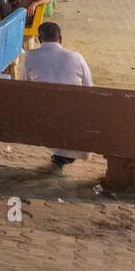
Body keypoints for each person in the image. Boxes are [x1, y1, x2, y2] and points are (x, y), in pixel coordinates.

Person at [23, 21, 93, 167]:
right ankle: (63, 154)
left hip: (42, 114)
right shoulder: (76, 57)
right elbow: (89, 87)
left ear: (39, 39)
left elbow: (25, 88)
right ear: (60, 38)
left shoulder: (30, 56)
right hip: (71, 116)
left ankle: (60, 153)